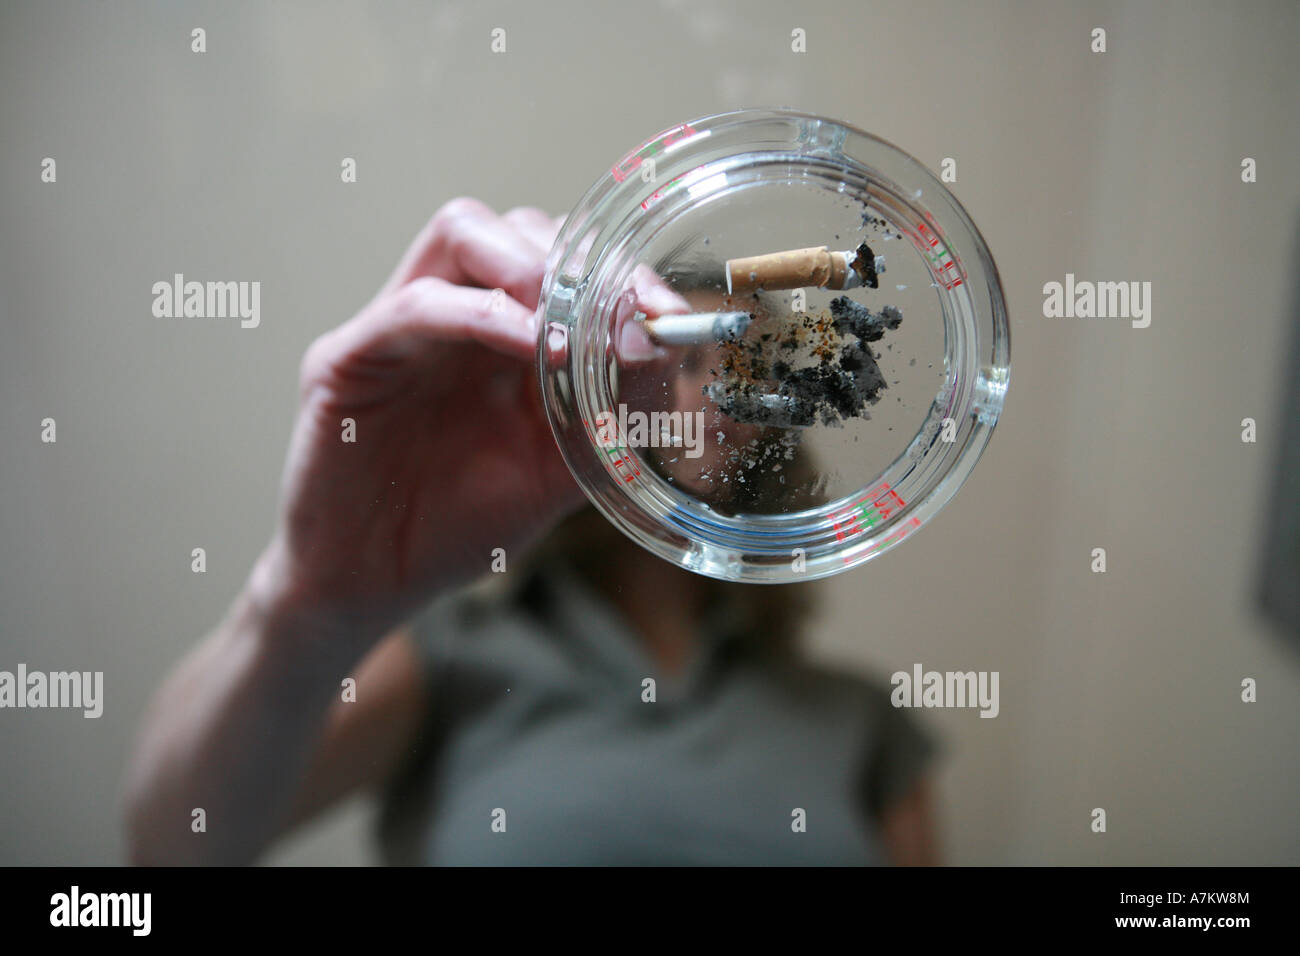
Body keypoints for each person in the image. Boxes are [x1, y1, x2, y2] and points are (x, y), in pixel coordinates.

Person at [122, 198, 940, 866]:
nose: (721, 400)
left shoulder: (854, 715)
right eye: (688, 362)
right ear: (616, 396)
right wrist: (313, 601)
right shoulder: (452, 656)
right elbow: (172, 851)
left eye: (749, 372)